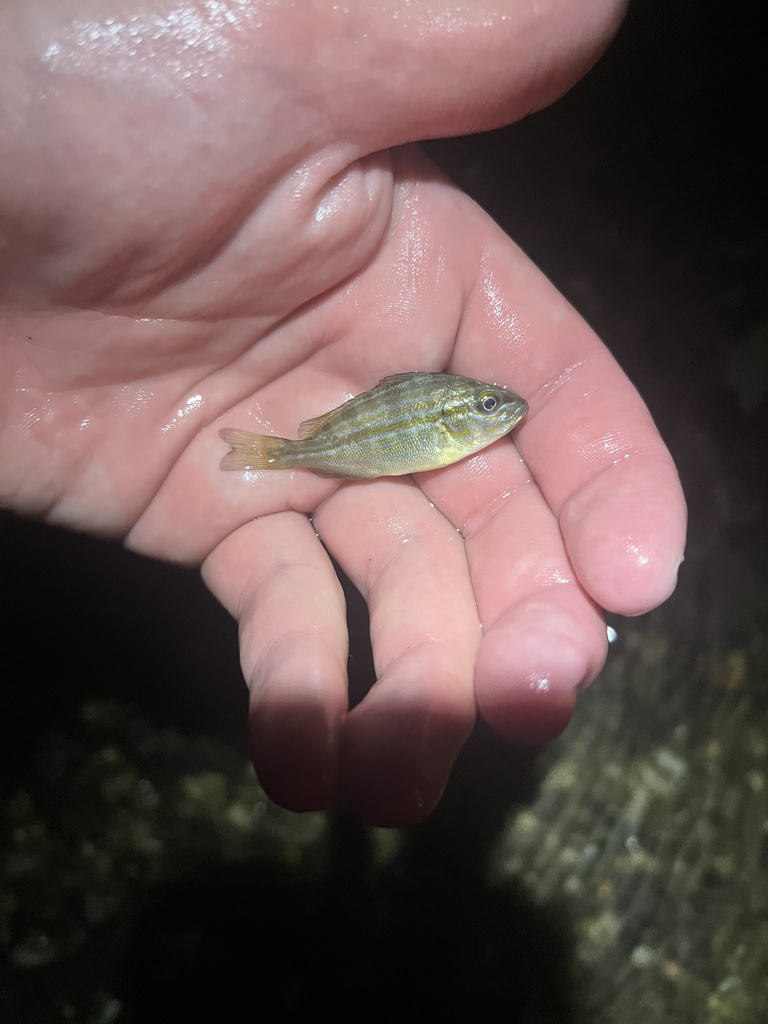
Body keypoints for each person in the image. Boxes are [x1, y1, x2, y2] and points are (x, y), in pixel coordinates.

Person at [0, 0, 685, 826]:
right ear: (464, 417)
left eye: (494, 410)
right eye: (489, 407)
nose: (505, 413)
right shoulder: (444, 419)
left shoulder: (452, 418)